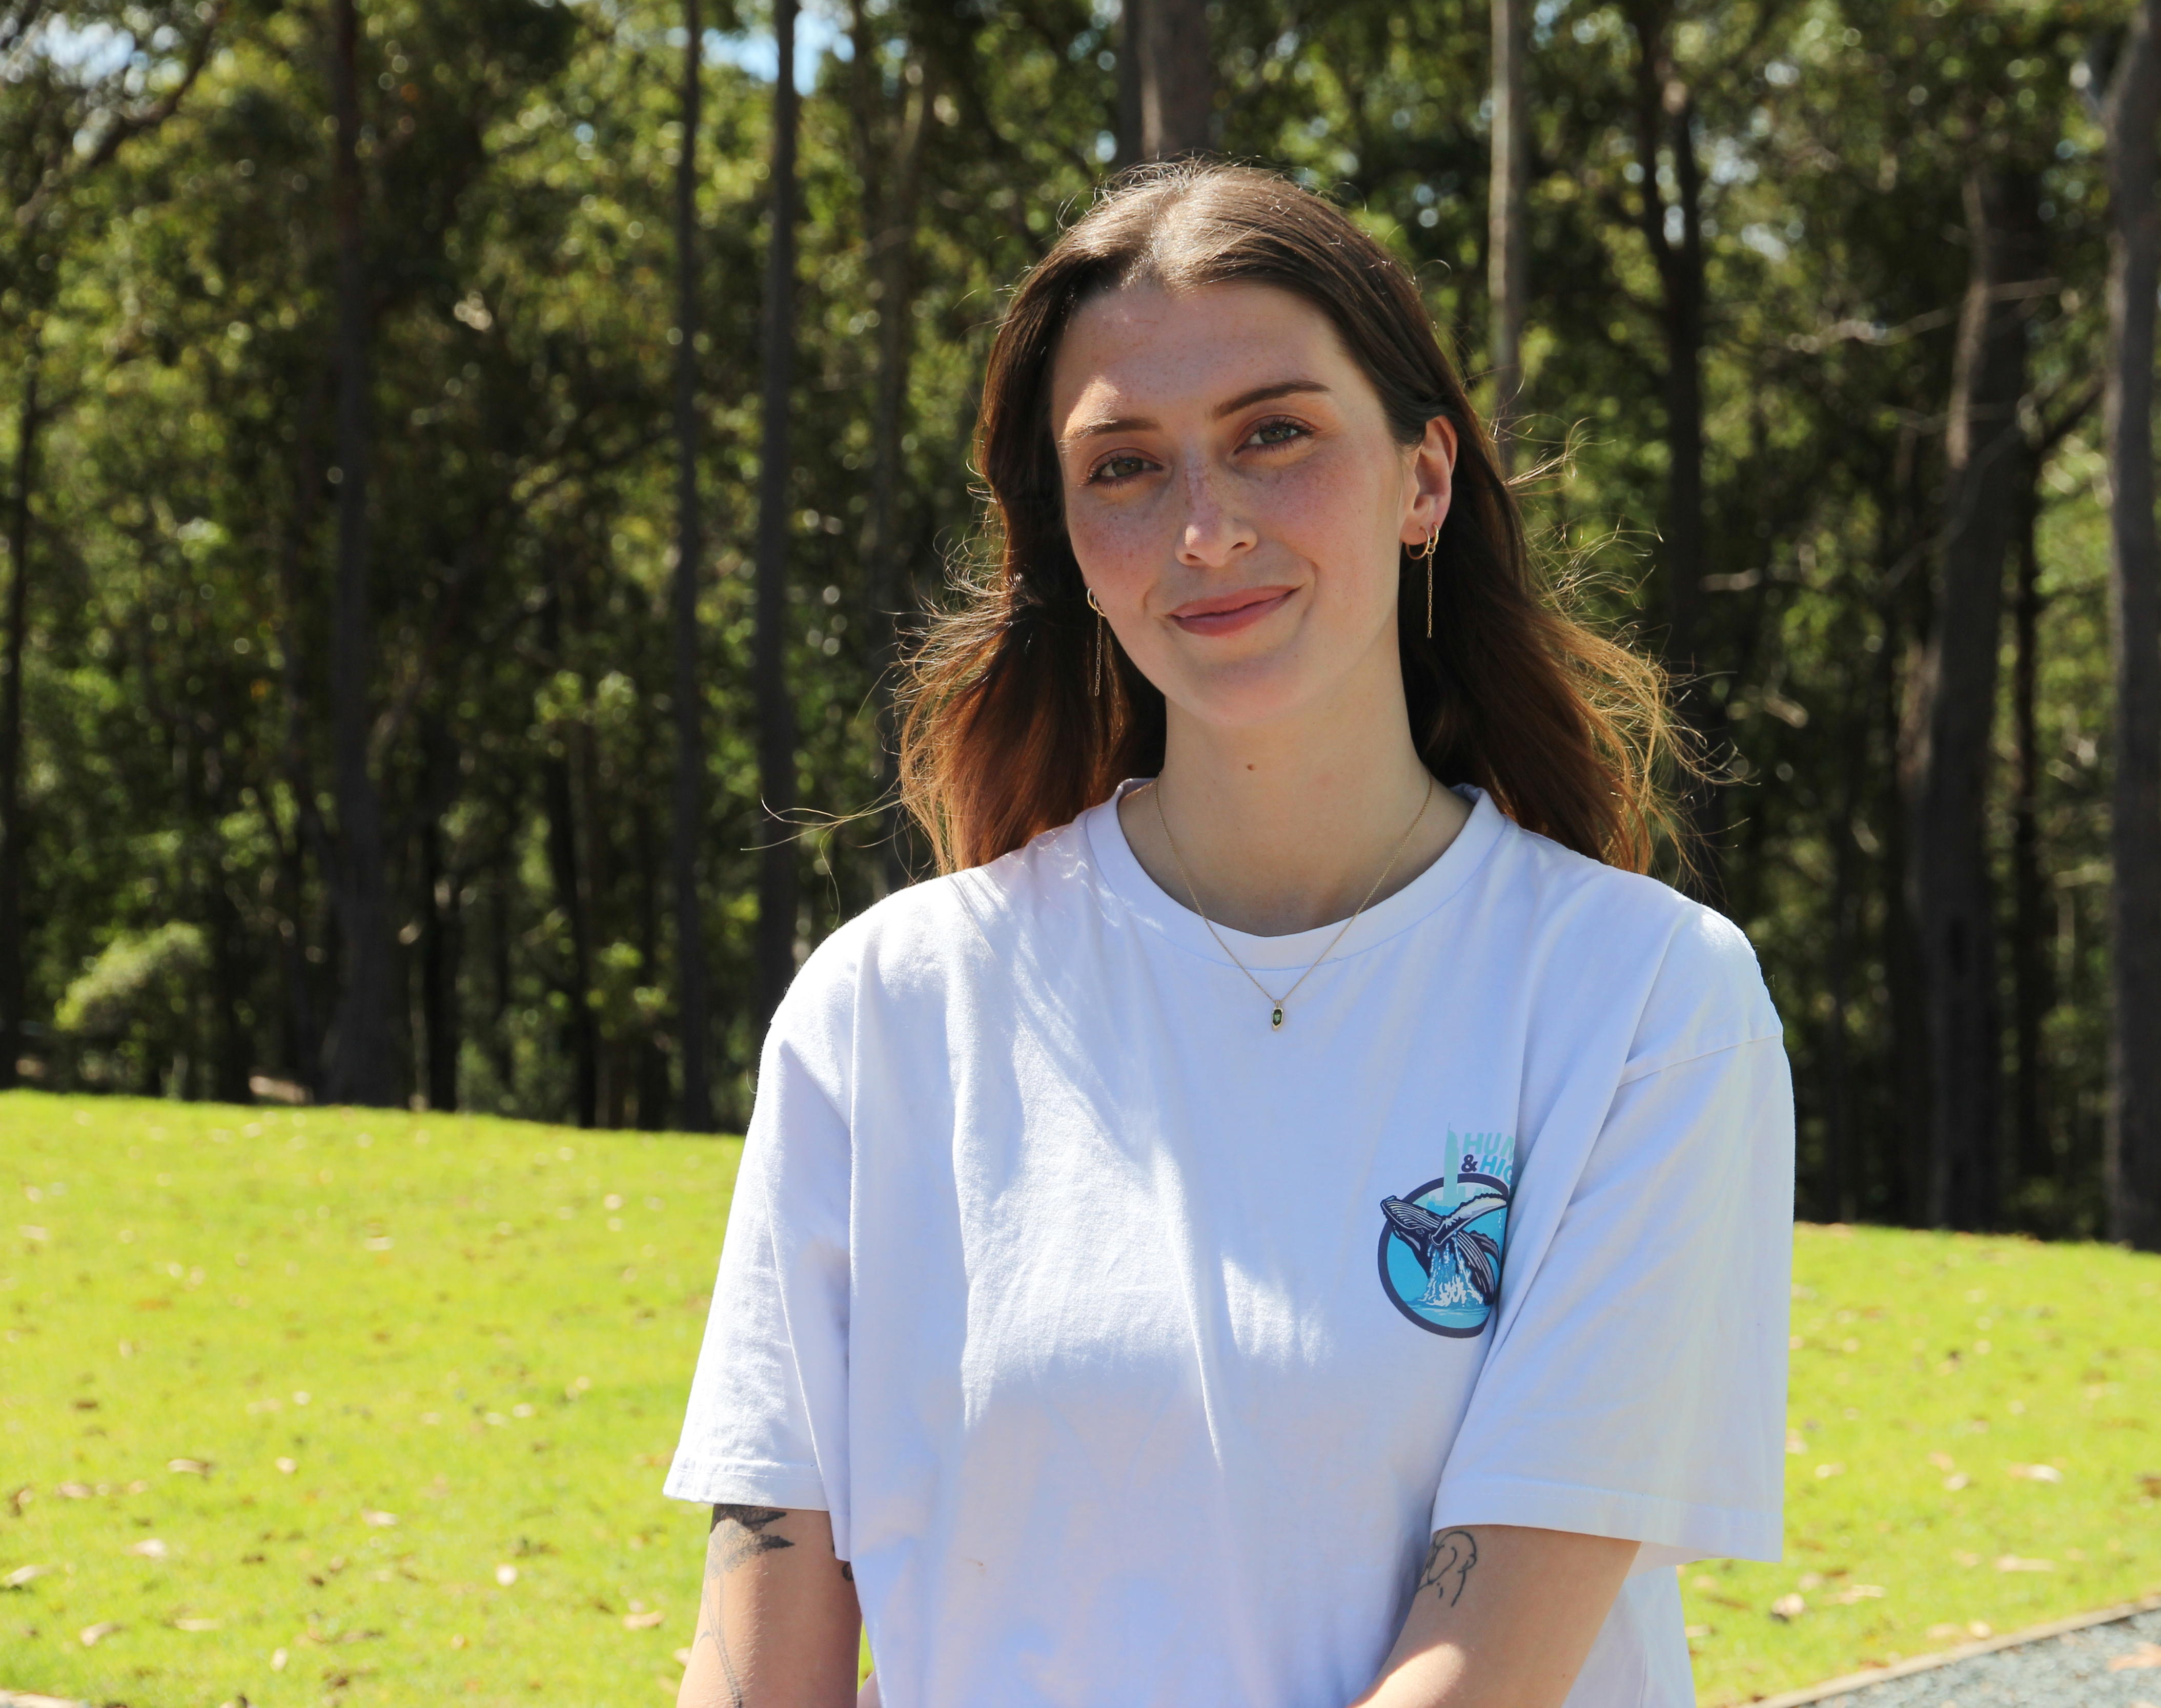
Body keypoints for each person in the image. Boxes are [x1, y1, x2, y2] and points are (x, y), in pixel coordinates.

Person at [662, 159, 1793, 1708]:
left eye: (1276, 435)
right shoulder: (886, 1010)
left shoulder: (1646, 999)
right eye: (1126, 467)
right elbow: (761, 1646)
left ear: (1425, 479)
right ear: (1064, 537)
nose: (1207, 530)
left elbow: (1493, 1663)